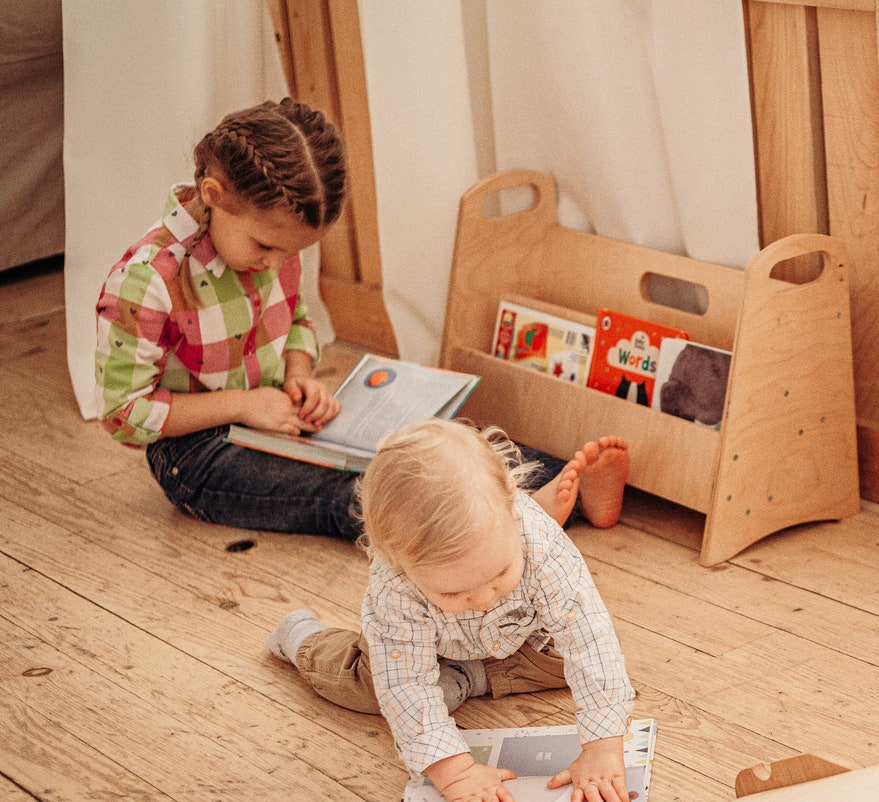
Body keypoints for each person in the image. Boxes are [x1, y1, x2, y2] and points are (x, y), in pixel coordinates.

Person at [91, 96, 593, 537]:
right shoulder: (147, 282)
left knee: (427, 439)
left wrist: (298, 378)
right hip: (197, 455)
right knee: (352, 495)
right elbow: (125, 414)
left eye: (291, 254)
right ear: (214, 194)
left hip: (274, 417)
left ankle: (558, 478)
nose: (275, 264)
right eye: (266, 247)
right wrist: (243, 405)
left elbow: (297, 323)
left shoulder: (275, 248)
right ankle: (516, 522)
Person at [265, 418, 635, 802]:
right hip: (423, 645)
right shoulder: (395, 586)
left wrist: (602, 748)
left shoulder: (540, 544)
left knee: (572, 659)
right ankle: (301, 638)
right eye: (454, 594)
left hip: (516, 634)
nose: (480, 600)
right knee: (369, 688)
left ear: (512, 506)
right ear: (398, 562)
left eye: (499, 574)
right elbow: (404, 686)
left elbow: (589, 637)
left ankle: (467, 678)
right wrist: (455, 771)